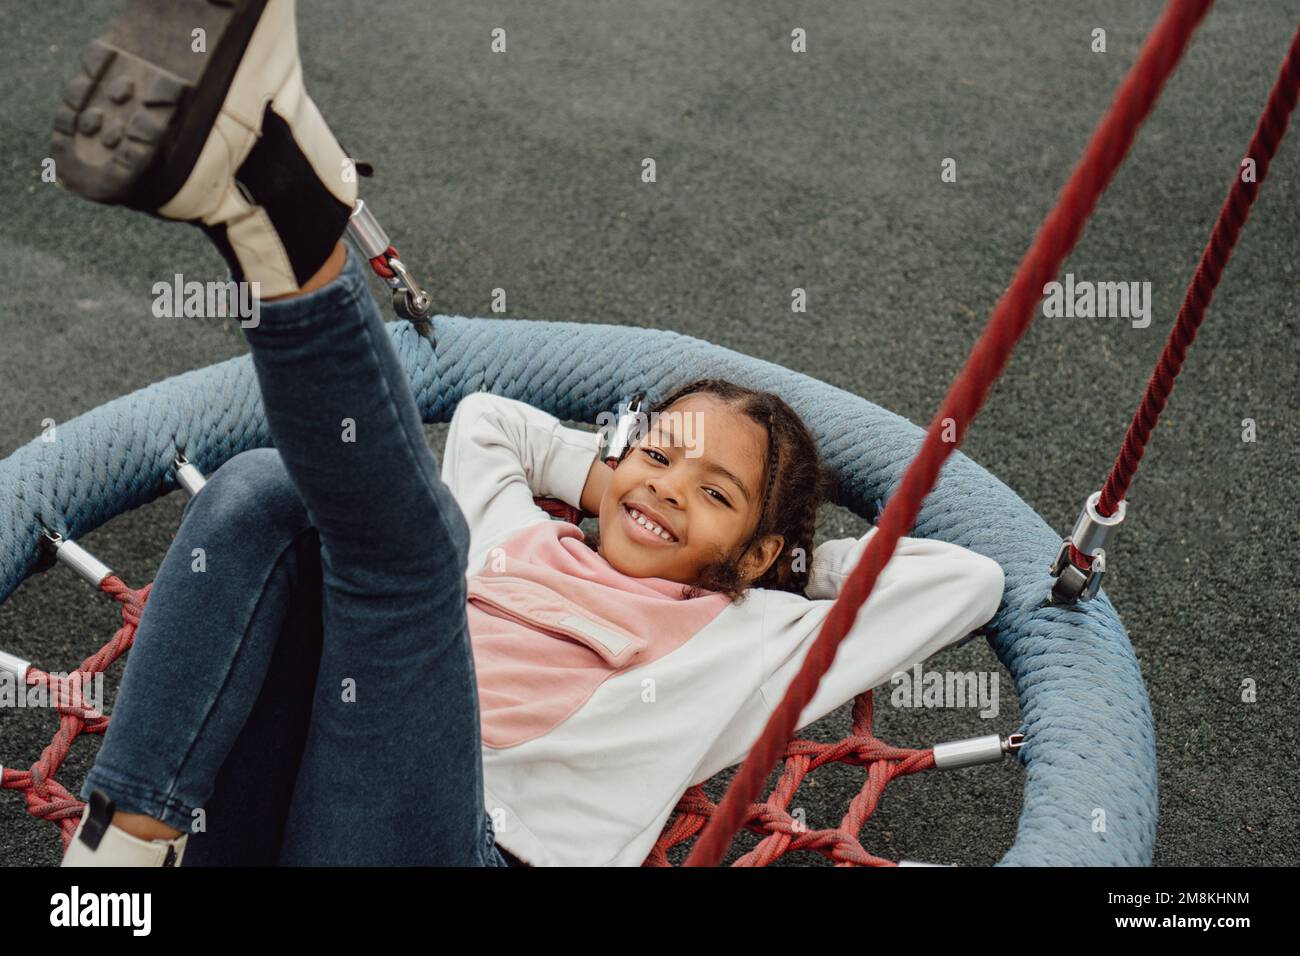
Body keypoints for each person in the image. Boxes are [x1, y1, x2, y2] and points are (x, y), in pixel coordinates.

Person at [54, 0, 1005, 868]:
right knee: (265, 487)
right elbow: (488, 422)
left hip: (475, 852)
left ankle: (278, 213)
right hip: (301, 815)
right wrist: (611, 480)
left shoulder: (756, 637)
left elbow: (966, 581)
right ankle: (121, 852)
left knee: (414, 563)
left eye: (714, 493)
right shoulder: (525, 536)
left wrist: (781, 567)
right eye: (660, 455)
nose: (670, 487)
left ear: (754, 549)